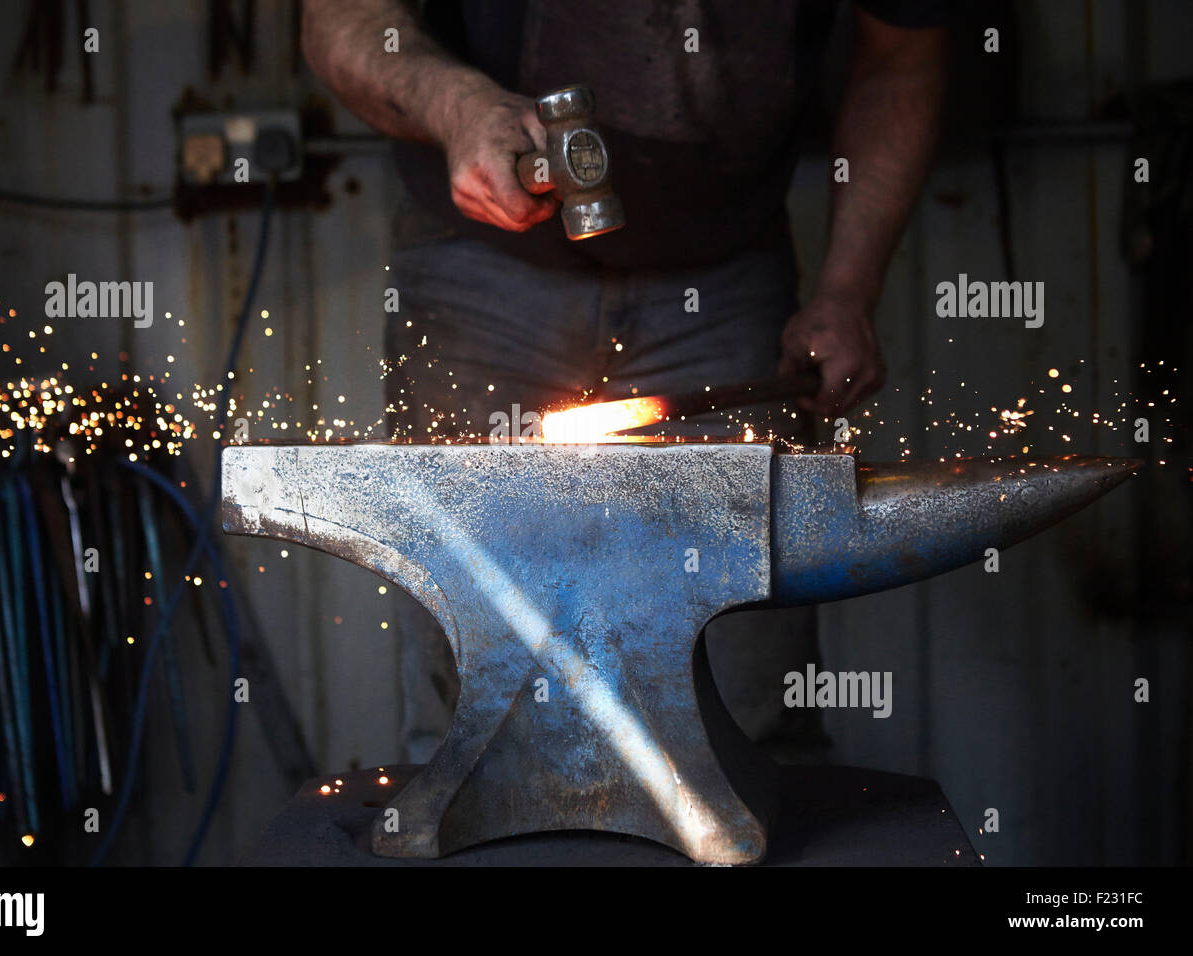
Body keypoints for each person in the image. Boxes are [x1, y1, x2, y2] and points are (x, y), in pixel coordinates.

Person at [303, 0, 949, 762]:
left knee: (749, 706)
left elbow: (901, 59)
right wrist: (456, 105)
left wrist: (848, 289)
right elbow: (338, 17)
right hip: (480, 269)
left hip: (725, 266)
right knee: (472, 712)